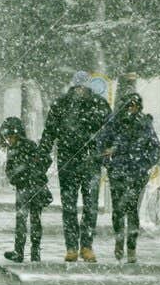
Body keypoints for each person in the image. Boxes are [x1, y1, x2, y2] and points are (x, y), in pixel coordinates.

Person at [40, 72, 112, 262]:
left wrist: (107, 155)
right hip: (71, 162)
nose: (81, 90)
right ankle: (73, 247)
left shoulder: (96, 105)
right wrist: (42, 156)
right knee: (70, 206)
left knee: (90, 206)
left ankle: (85, 246)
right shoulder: (64, 104)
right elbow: (49, 133)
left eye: (83, 87)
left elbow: (110, 132)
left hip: (87, 162)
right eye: (79, 86)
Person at [96, 92, 160, 263]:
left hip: (137, 174)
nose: (131, 109)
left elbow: (154, 147)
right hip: (118, 172)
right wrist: (108, 161)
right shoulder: (114, 123)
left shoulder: (145, 123)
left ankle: (131, 248)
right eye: (129, 105)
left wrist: (146, 164)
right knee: (118, 210)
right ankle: (119, 241)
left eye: (135, 105)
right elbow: (101, 143)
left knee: (132, 211)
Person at [0, 116, 52, 263]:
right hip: (35, 185)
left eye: (10, 137)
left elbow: (10, 170)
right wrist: (37, 170)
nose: (8, 140)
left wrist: (20, 175)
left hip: (25, 187)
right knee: (35, 219)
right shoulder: (30, 145)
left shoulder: (16, 149)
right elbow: (46, 160)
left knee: (22, 219)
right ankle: (35, 252)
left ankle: (20, 251)